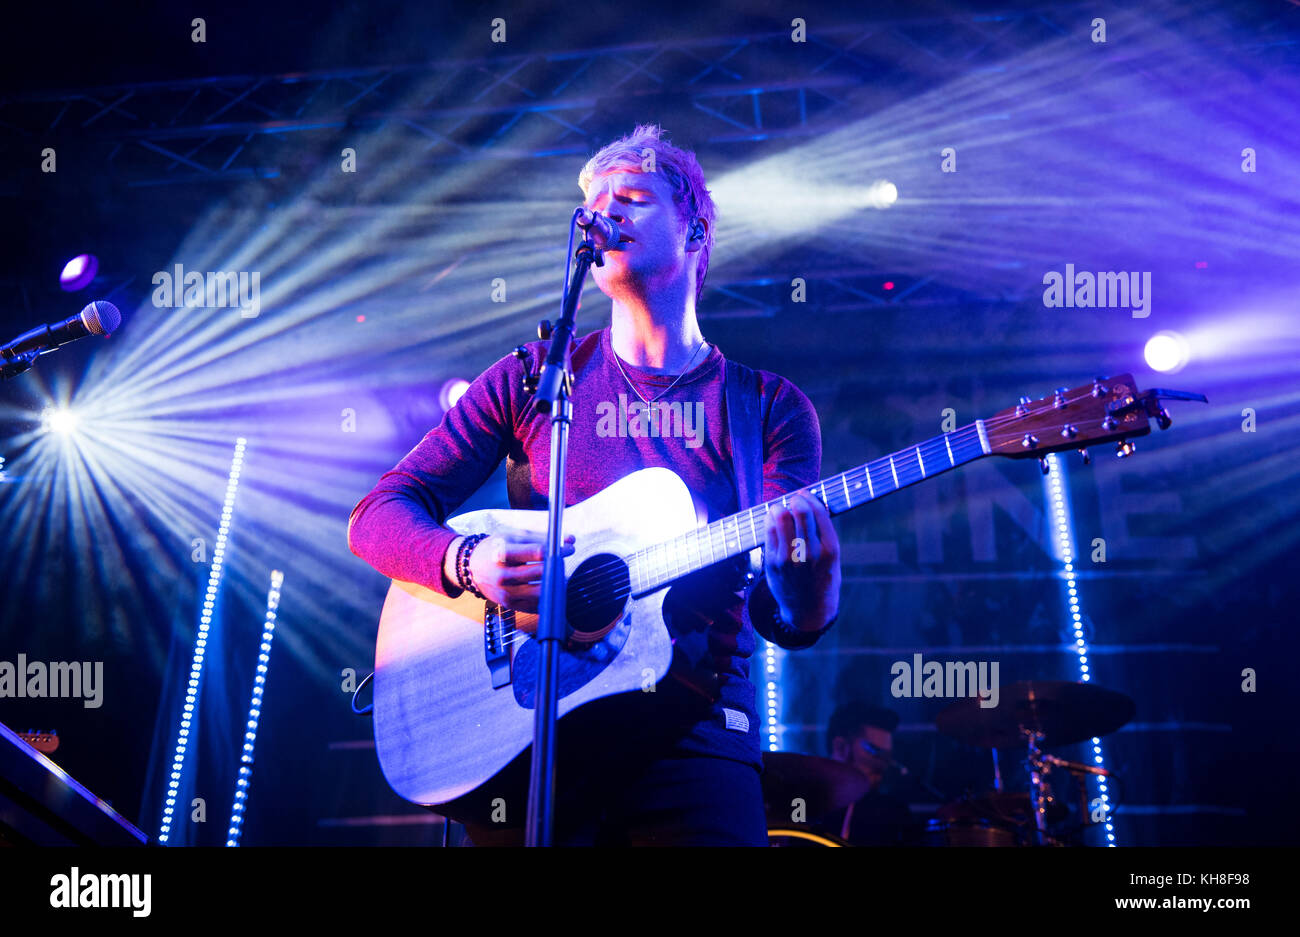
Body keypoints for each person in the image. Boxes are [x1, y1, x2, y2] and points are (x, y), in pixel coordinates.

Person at [348, 123, 841, 846]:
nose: (603, 213)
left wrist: (812, 590)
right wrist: (468, 561)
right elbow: (377, 514)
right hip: (535, 743)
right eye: (594, 200)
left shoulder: (768, 408)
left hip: (693, 741)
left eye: (632, 197)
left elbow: (781, 613)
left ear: (695, 230)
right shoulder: (533, 378)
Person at [824, 701, 920, 846]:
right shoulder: (808, 806)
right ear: (841, 747)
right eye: (874, 751)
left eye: (887, 756)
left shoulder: (894, 814)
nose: (882, 764)